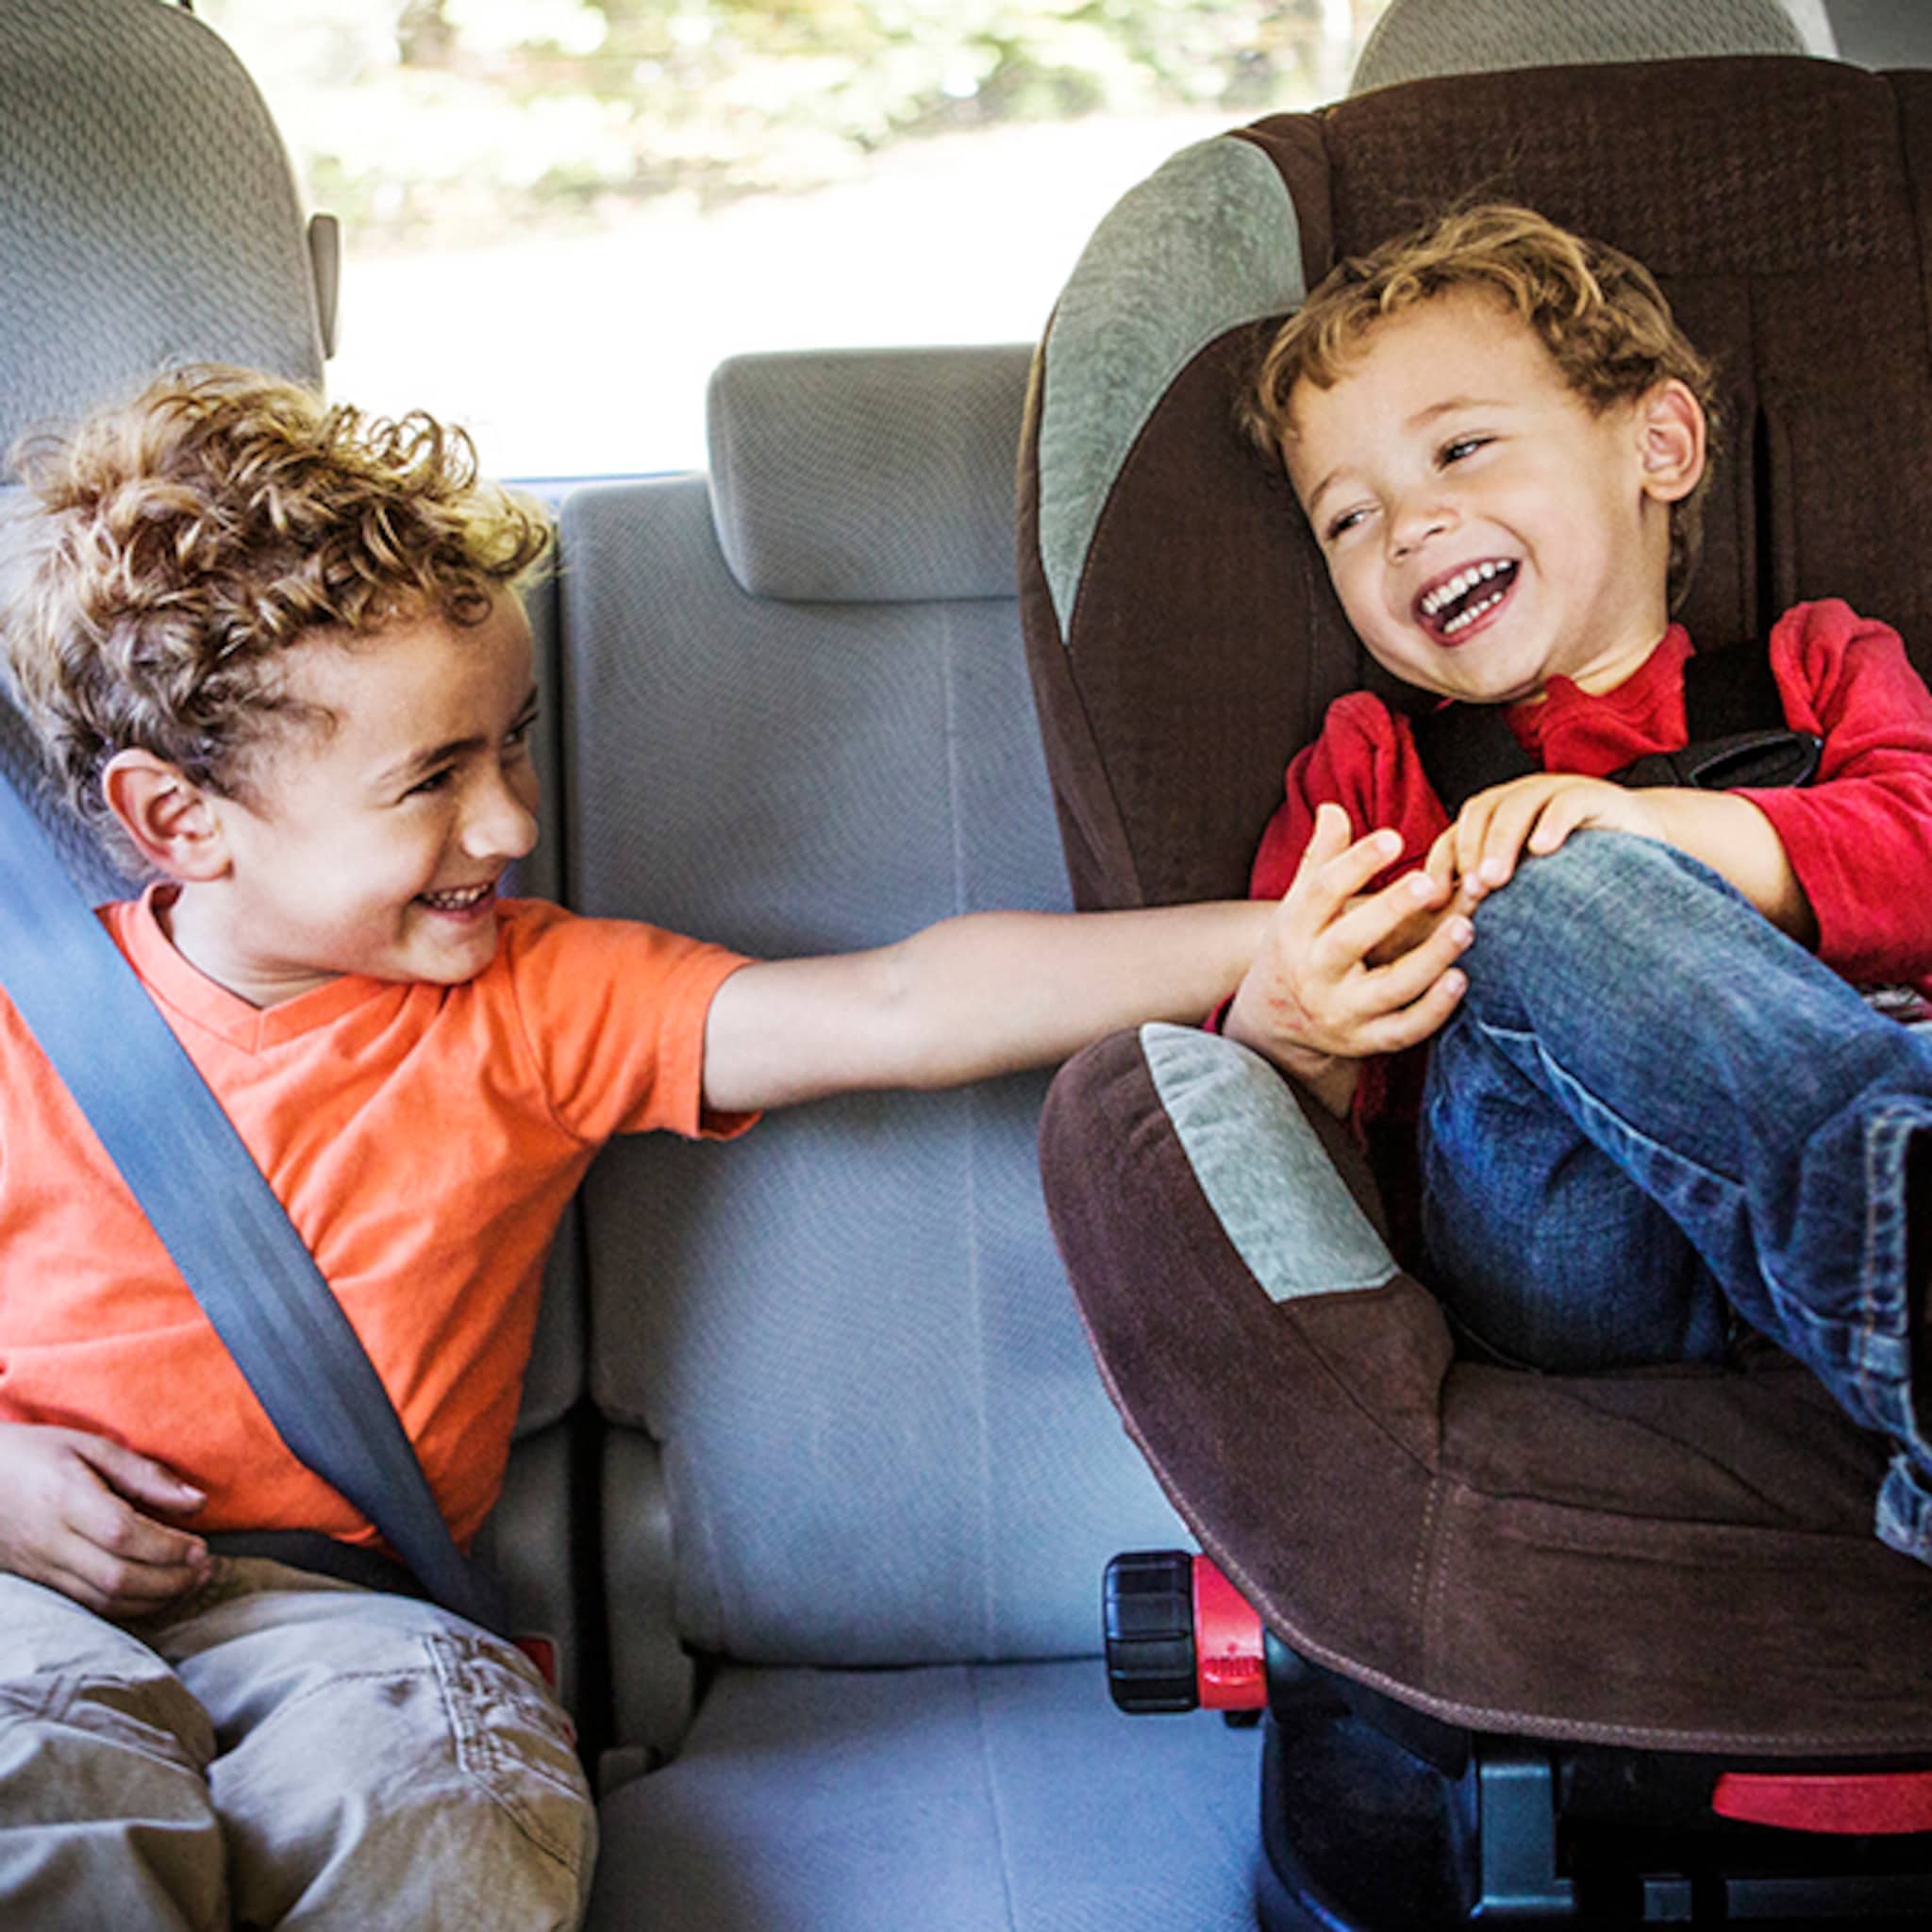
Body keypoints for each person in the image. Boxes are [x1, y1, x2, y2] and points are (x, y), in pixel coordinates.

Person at [0, 366, 1278, 1931]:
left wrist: (1274, 938)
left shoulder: (532, 1003)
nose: (508, 826)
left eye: (513, 745)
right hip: (22, 1608)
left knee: (445, 1825)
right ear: (178, 820)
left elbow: (903, 1002)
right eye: (431, 781)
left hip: (353, 1632)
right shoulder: (27, 1030)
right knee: (37, 1810)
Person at [1218, 203, 1932, 1559]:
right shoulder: (1375, 768)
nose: (1409, 527)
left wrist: (1666, 829)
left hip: (1877, 1127)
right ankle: (1900, 1242)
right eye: (1349, 517)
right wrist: (1290, 1027)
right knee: (1533, 885)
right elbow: (1283, 1146)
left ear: (1658, 445)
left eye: (1460, 450)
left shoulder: (1818, 669)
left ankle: (1893, 1278)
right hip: (1574, 1264)